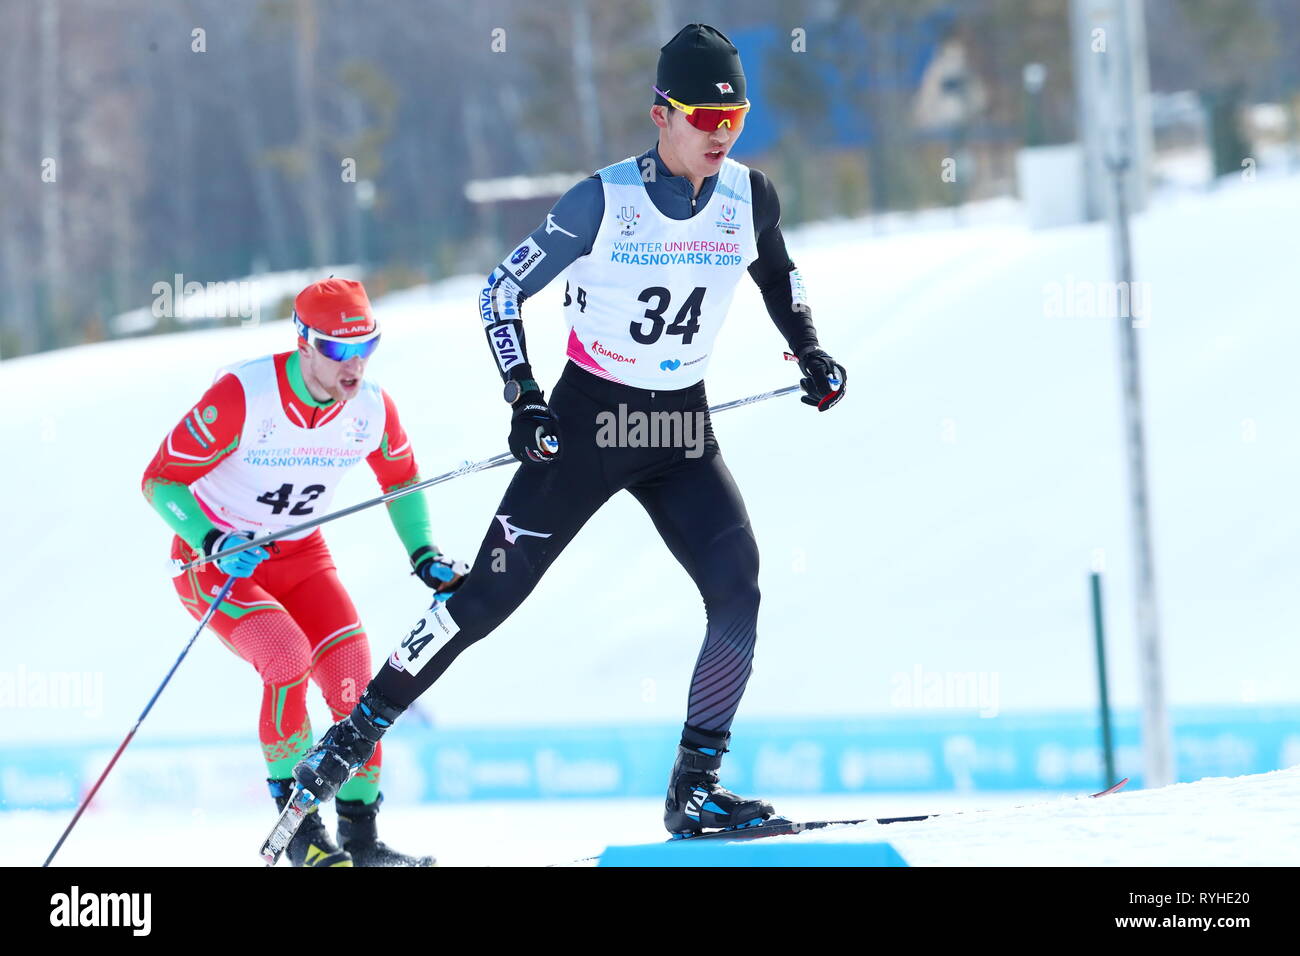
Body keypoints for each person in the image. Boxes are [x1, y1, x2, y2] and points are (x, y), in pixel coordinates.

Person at [293, 24, 846, 837]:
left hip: (680, 431)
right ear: (661, 114)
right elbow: (499, 293)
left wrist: (809, 349)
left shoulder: (749, 197)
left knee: (738, 589)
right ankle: (352, 737)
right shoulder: (603, 200)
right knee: (486, 598)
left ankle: (694, 790)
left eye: (735, 117)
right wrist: (525, 398)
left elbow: (778, 272)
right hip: (591, 423)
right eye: (703, 116)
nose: (720, 134)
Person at [142, 277, 467, 865]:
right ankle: (300, 837)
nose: (355, 365)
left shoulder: (369, 409)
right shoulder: (244, 395)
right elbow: (159, 480)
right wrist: (212, 537)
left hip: (300, 555)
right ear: (305, 344)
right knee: (286, 658)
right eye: (340, 350)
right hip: (215, 560)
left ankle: (362, 845)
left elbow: (401, 480)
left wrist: (425, 555)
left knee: (356, 687)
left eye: (367, 347)